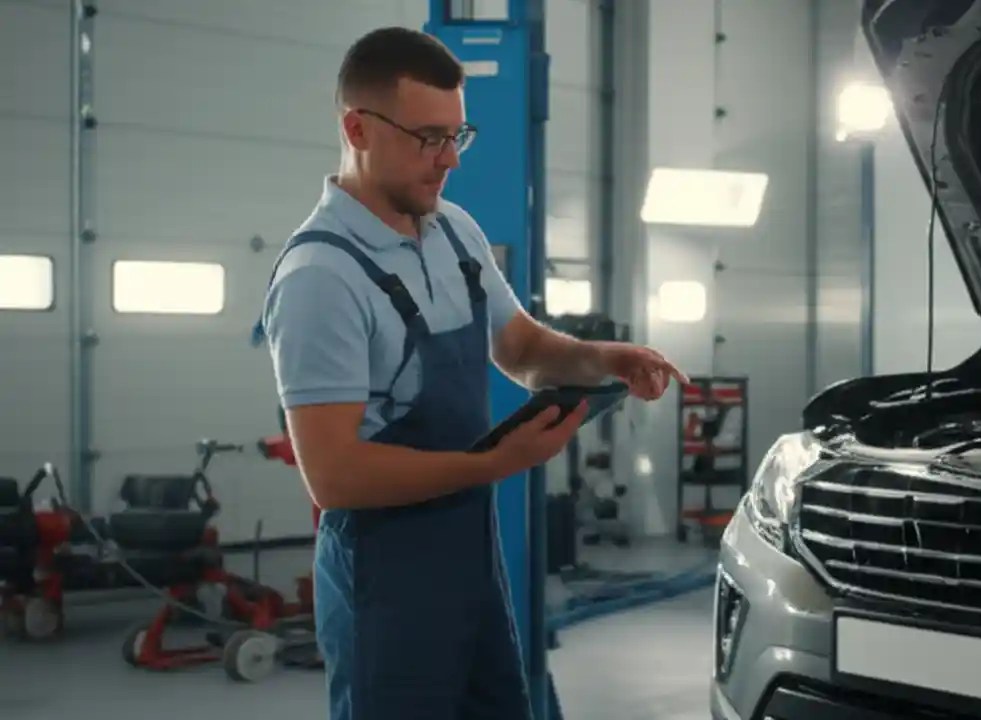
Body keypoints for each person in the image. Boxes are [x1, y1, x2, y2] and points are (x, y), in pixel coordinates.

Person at [255, 27, 686, 720]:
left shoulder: (453, 230)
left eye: (457, 135)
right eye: (429, 138)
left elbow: (521, 348)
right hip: (383, 582)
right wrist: (494, 465)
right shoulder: (320, 277)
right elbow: (334, 476)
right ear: (358, 129)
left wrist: (602, 358)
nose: (450, 159)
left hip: (470, 560)